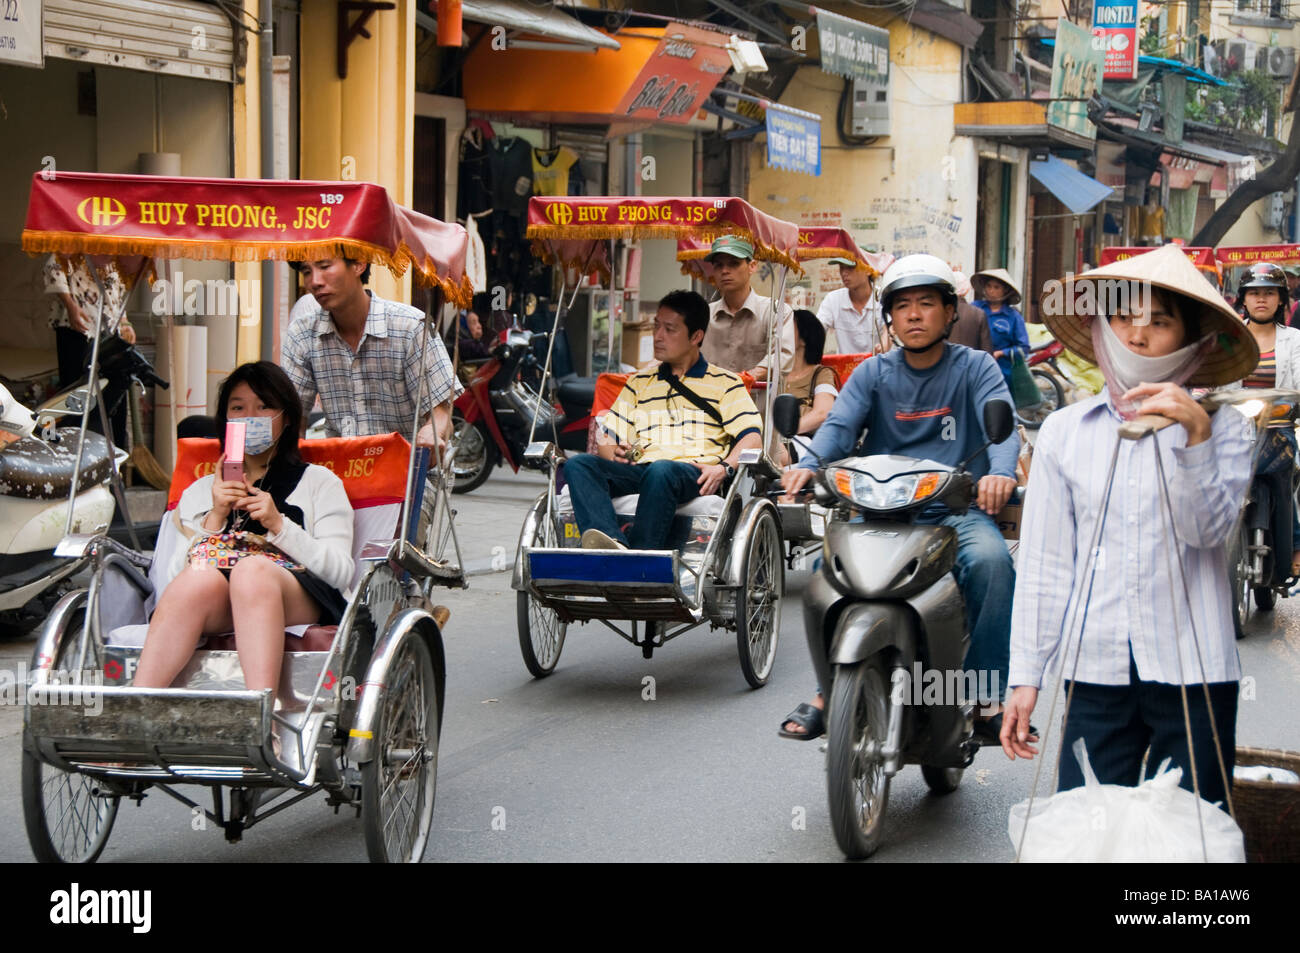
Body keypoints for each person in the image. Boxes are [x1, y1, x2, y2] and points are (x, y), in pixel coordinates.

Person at [1000, 245, 1259, 810]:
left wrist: (1193, 438)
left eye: (1159, 322)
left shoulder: (1227, 429)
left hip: (1194, 672)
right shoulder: (1067, 432)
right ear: (1101, 328)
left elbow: (1207, 533)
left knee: (1189, 843)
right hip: (1097, 669)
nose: (1137, 337)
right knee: (1086, 829)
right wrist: (1027, 677)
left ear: (1193, 341)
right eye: (1122, 318)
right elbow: (1046, 563)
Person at [778, 255, 1020, 741]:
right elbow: (839, 428)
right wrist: (807, 465)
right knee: (822, 577)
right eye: (903, 305)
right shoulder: (872, 374)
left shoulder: (976, 369)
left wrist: (1000, 473)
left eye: (926, 304)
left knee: (994, 564)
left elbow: (1003, 431)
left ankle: (988, 697)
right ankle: (829, 689)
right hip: (877, 512)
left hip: (953, 512)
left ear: (950, 312)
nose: (913, 315)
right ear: (889, 315)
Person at [133, 362, 355, 697]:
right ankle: (134, 707)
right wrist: (216, 516)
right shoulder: (200, 491)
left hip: (300, 593)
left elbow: (340, 572)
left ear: (288, 417)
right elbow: (171, 579)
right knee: (197, 575)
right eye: (238, 408)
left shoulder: (320, 483)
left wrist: (278, 525)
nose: (250, 417)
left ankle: (260, 715)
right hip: (222, 597)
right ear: (225, 421)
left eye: (264, 406)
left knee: (251, 571)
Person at [566, 290, 762, 551]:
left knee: (663, 470)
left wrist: (723, 468)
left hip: (692, 473)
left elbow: (752, 437)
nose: (657, 336)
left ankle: (640, 559)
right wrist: (617, 452)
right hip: (642, 467)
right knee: (579, 464)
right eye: (657, 326)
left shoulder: (726, 384)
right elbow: (606, 437)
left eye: (669, 329)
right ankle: (611, 543)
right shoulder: (638, 382)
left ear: (696, 336)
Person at [283, 258, 459, 448]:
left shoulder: (410, 327)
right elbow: (293, 419)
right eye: (306, 272)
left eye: (325, 266)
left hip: (410, 470)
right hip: (341, 470)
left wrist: (431, 434)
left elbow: (441, 413)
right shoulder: (302, 333)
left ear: (359, 264)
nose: (314, 281)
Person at [1234, 262, 1300, 576]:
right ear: (1243, 299)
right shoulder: (1227, 338)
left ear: (1280, 299)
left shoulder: (1295, 340)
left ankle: (1291, 553)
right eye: (1255, 293)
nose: (1262, 299)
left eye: (1269, 294)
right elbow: (1212, 378)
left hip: (1278, 430)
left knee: (1284, 484)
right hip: (1233, 432)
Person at [43, 254, 142, 447]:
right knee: (77, 392)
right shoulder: (74, 248)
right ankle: (72, 447)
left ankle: (115, 451)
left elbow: (116, 294)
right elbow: (52, 267)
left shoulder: (113, 257)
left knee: (114, 392)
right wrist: (71, 306)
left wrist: (125, 322)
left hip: (109, 331)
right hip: (78, 328)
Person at [701, 235, 795, 382]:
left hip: (756, 403)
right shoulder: (703, 315)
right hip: (709, 402)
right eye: (719, 265)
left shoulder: (775, 311)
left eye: (734, 264)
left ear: (752, 266)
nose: (725, 271)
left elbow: (782, 357)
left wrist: (749, 377)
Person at [776, 309, 838, 466]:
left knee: (771, 451)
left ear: (803, 339)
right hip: (772, 441)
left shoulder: (821, 373)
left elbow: (822, 413)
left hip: (803, 443)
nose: (781, 331)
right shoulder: (774, 375)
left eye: (788, 327)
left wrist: (787, 432)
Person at [816, 257, 890, 355]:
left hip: (878, 366)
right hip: (846, 367)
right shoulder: (833, 299)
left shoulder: (882, 297)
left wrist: (885, 343)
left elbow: (889, 328)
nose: (844, 273)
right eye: (841, 268)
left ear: (868, 270)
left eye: (850, 267)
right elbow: (818, 329)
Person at [971, 268, 1030, 382]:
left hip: (1003, 373)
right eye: (989, 286)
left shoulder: (1013, 317)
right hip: (976, 369)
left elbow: (1024, 347)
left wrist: (1001, 353)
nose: (991, 291)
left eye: (996, 287)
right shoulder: (975, 308)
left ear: (1005, 291)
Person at [949, 270, 996, 355]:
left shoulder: (940, 312)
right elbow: (987, 352)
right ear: (967, 290)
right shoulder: (978, 314)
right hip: (971, 366)